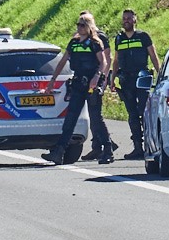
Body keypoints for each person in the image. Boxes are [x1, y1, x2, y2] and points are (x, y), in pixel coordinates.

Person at [44, 12, 116, 164]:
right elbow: (62, 61)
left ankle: (108, 150)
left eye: (83, 25)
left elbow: (103, 63)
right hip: (78, 84)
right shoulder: (74, 43)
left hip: (91, 84)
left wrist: (97, 77)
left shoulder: (95, 43)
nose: (80, 27)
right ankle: (59, 152)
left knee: (96, 119)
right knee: (70, 119)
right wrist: (52, 81)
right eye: (78, 24)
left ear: (89, 27)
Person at [109, 9, 162, 159]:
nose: (126, 20)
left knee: (145, 113)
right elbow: (116, 60)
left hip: (142, 79)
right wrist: (112, 79)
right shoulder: (119, 39)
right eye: (124, 18)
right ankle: (138, 147)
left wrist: (161, 75)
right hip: (126, 81)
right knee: (132, 115)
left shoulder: (143, 37)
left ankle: (150, 146)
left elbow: (153, 56)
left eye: (129, 18)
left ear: (135, 20)